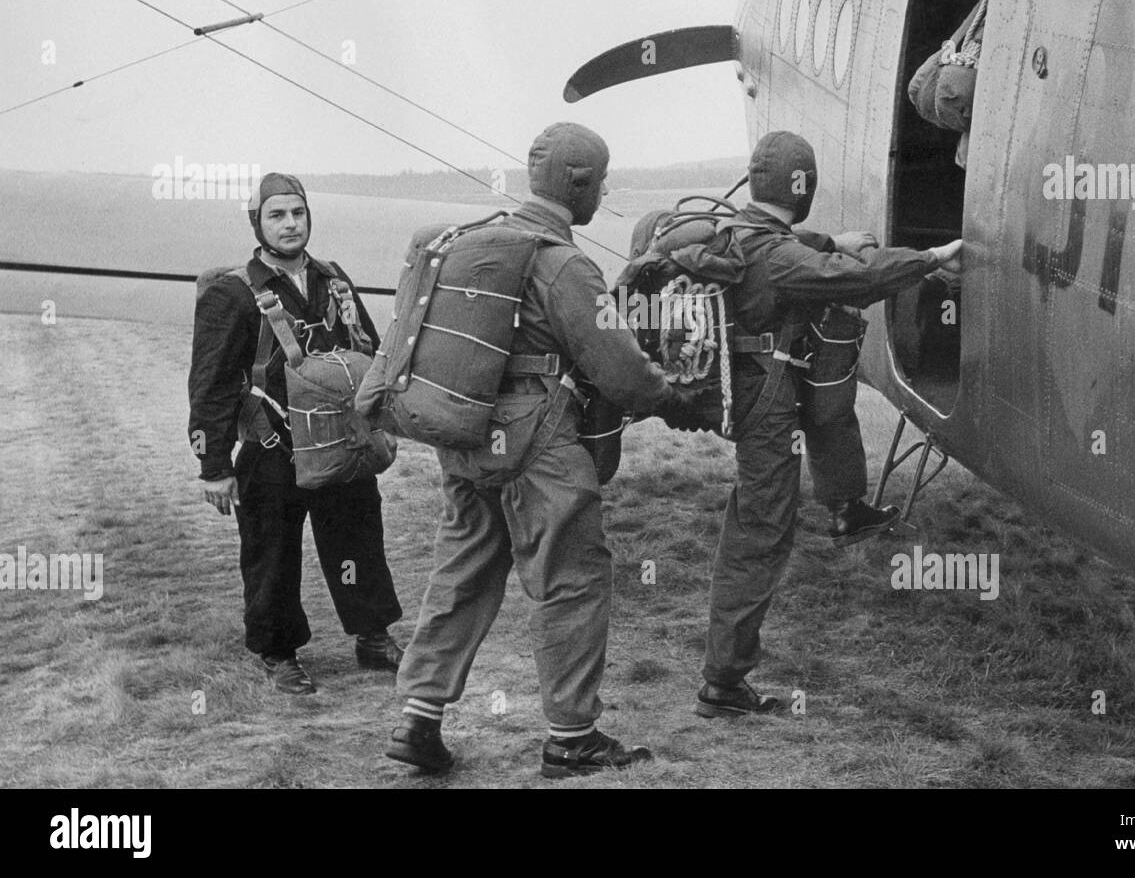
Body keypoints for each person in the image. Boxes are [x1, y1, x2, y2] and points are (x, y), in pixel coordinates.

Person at [385, 123, 695, 779]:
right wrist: (672, 399)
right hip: (539, 439)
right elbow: (619, 369)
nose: (604, 191)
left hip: (465, 435)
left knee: (461, 572)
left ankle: (419, 715)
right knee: (571, 578)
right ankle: (571, 737)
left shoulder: (476, 240)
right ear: (578, 184)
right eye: (601, 180)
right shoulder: (562, 263)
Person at [696, 130, 962, 718]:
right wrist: (930, 259)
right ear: (804, 186)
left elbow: (790, 248)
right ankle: (722, 683)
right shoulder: (779, 257)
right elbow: (849, 279)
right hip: (765, 401)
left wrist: (829, 241)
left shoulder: (735, 233)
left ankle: (724, 675)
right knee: (759, 534)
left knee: (758, 526)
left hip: (751, 391)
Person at [188, 172, 404, 695]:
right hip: (271, 447)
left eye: (298, 213)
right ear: (258, 223)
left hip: (338, 441)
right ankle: (278, 651)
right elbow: (210, 385)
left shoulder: (334, 279)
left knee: (356, 541)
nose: (290, 224)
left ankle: (371, 634)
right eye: (277, 215)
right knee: (272, 553)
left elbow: (370, 350)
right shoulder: (231, 294)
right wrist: (214, 466)